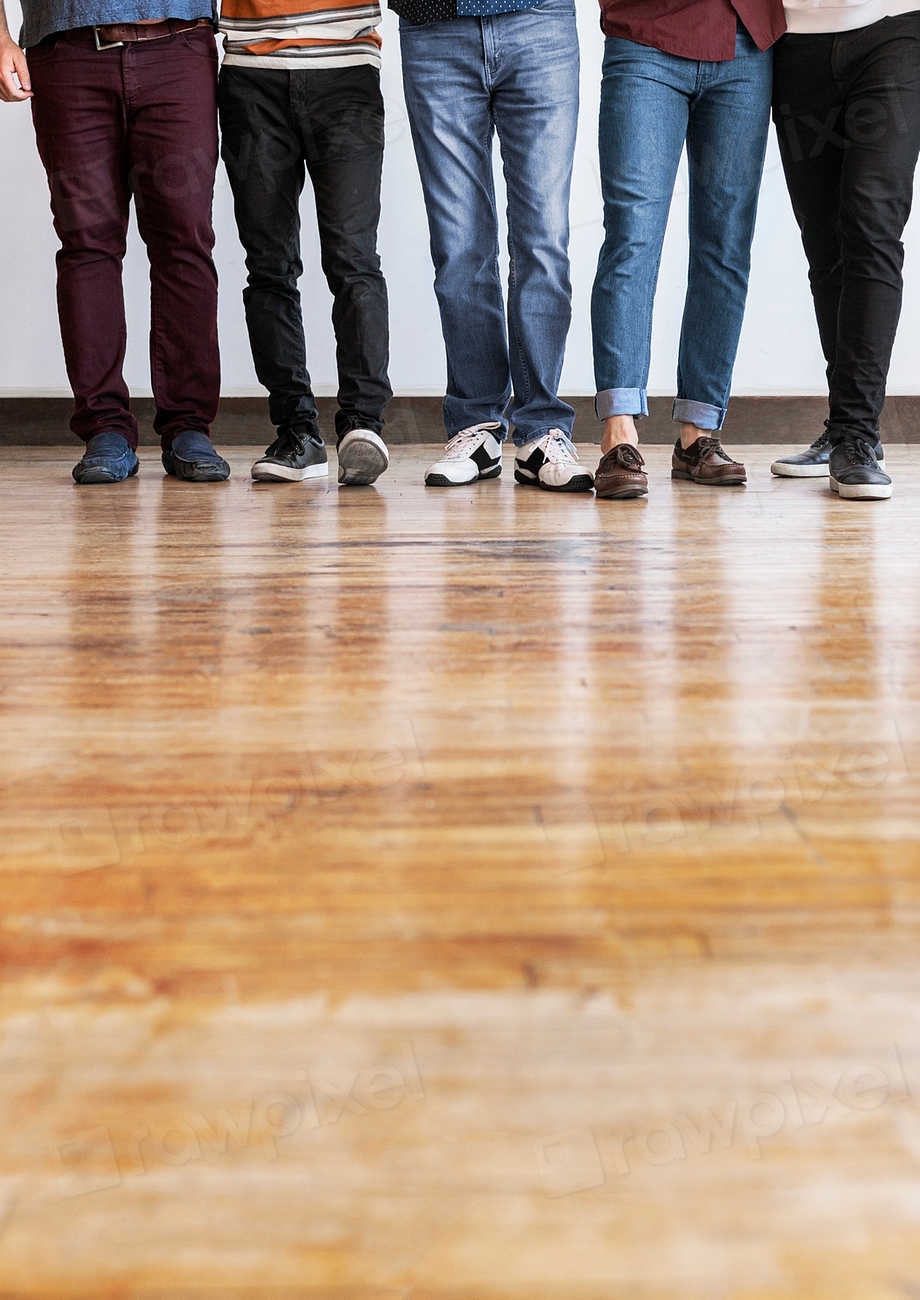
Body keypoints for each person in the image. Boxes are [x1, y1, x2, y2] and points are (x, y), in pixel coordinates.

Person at [0, 0, 231, 484]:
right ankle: (104, 427)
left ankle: (189, 424)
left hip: (179, 46)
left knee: (184, 239)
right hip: (67, 54)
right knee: (87, 244)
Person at [590, 0, 784, 501]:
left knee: (725, 245)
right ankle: (619, 433)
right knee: (633, 234)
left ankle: (698, 434)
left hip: (745, 43)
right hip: (645, 36)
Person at [393, 0, 590, 493]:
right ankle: (475, 426)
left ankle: (542, 429)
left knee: (543, 240)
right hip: (433, 23)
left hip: (538, 20)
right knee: (459, 245)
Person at [218, 0, 392, 486]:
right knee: (269, 264)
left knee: (353, 257)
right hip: (251, 73)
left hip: (346, 70)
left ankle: (362, 425)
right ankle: (297, 432)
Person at [769, 3, 919, 500]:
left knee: (872, 224)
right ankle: (843, 429)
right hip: (795, 47)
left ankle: (859, 435)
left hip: (892, 36)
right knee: (823, 240)